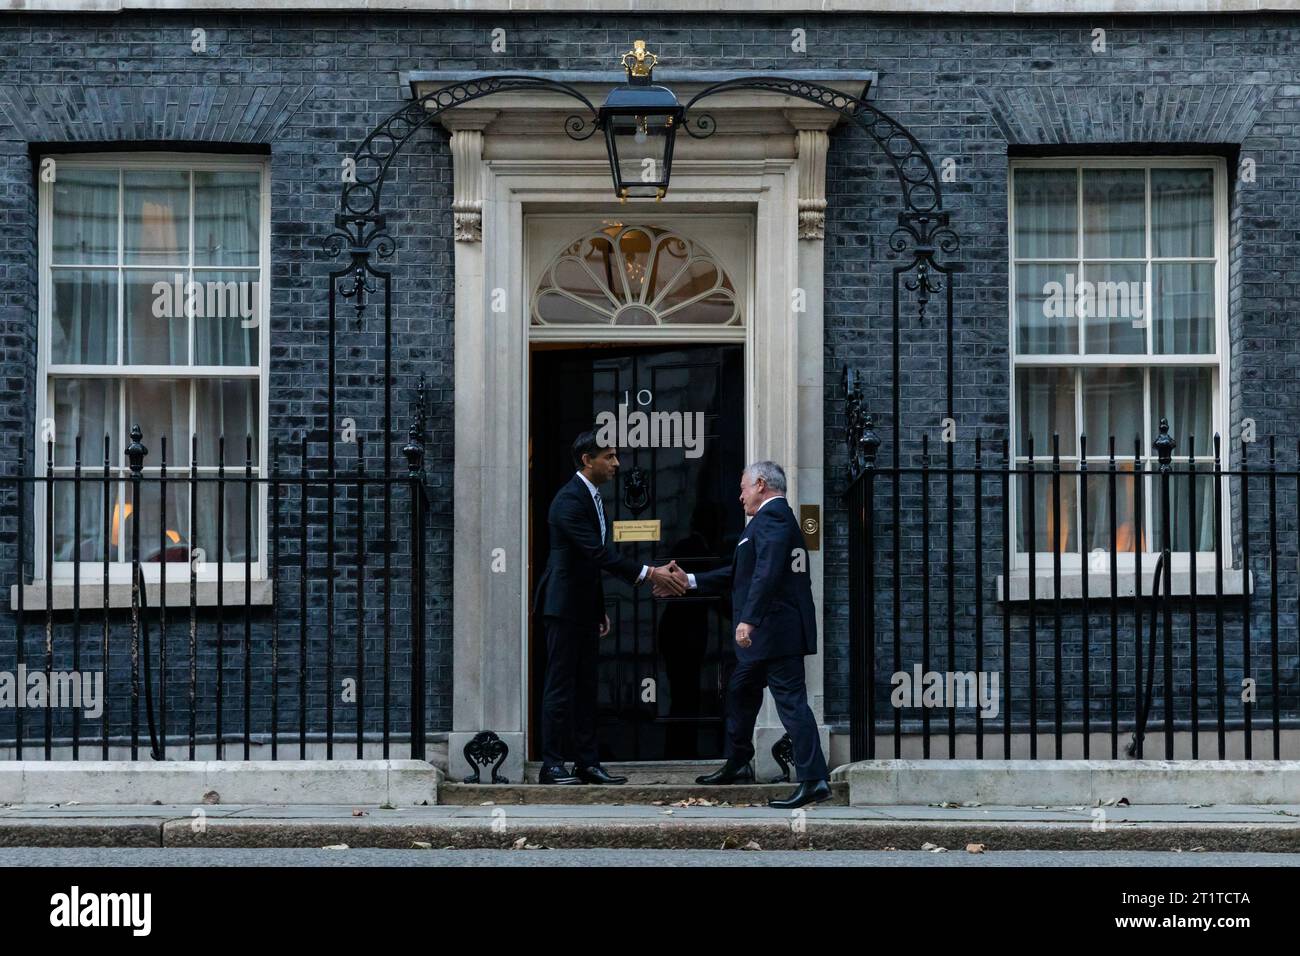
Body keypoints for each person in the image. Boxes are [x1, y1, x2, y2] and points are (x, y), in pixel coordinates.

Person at [655, 460, 830, 809]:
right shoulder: (765, 522)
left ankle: (814, 779)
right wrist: (688, 581)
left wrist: (749, 619)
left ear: (761, 484)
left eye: (743, 488)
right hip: (771, 634)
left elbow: (767, 572)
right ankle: (738, 762)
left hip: (776, 633)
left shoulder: (774, 517)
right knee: (740, 692)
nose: (740, 496)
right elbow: (739, 574)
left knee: (791, 704)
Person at [533, 430, 685, 784]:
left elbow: (588, 564)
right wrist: (650, 574)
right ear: (588, 459)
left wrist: (598, 607)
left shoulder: (593, 497)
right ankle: (551, 764)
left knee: (587, 686)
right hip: (562, 606)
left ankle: (587, 763)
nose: (617, 463)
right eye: (610, 456)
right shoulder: (568, 501)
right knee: (560, 685)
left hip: (582, 606)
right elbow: (596, 554)